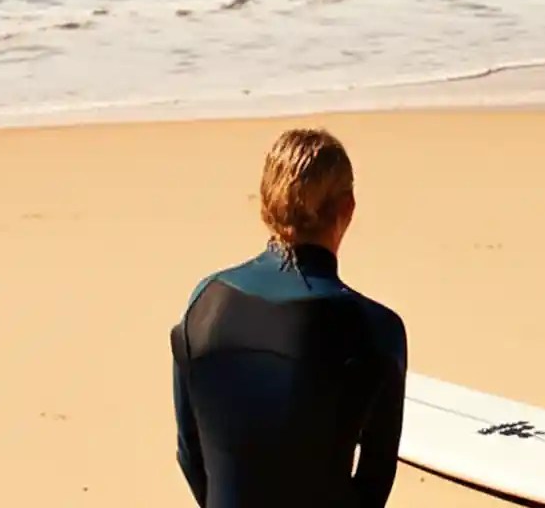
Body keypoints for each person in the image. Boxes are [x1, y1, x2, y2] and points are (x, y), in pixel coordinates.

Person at [169, 128, 408, 508]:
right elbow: (375, 477)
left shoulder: (204, 304)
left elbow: (190, 454)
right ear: (347, 208)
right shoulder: (377, 330)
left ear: (266, 205)